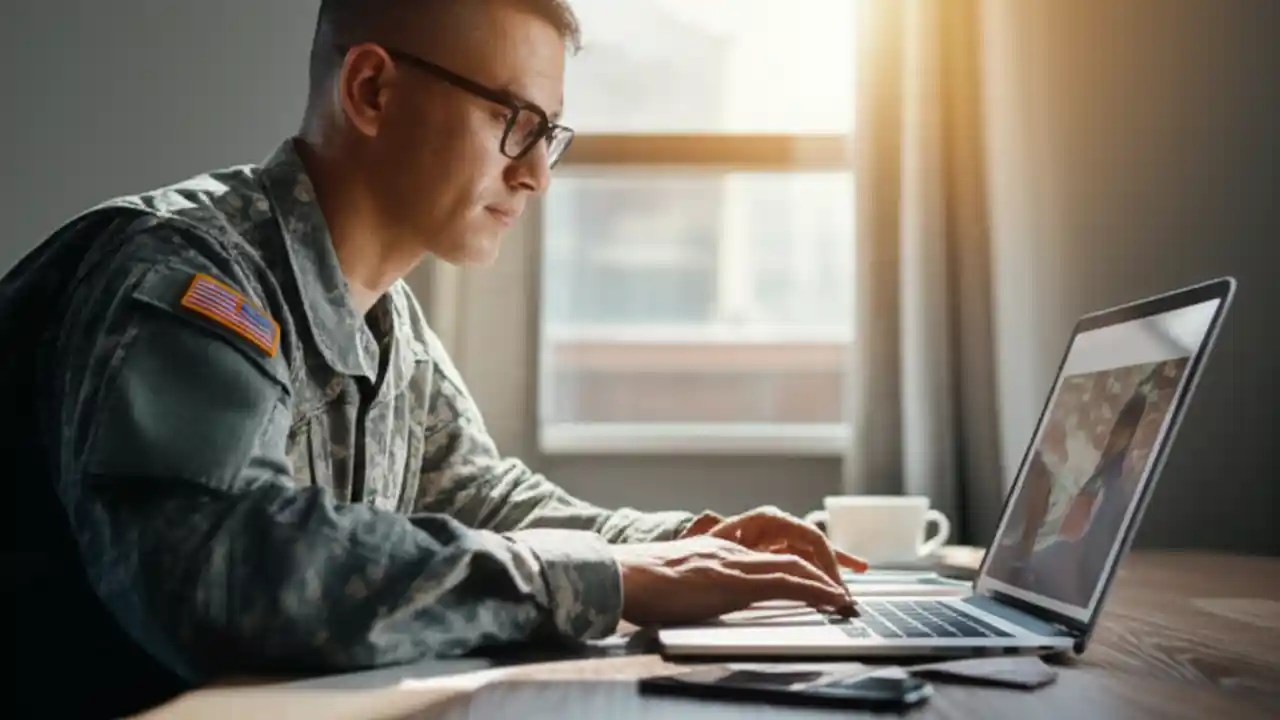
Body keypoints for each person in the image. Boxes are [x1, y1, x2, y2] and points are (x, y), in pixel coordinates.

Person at [0, 1, 867, 715]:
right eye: (513, 122)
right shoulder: (187, 275)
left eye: (549, 134)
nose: (536, 176)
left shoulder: (386, 319)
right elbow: (224, 569)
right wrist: (611, 577)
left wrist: (687, 548)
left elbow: (477, 499)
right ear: (371, 89)